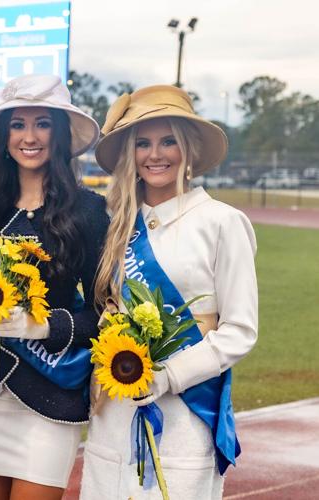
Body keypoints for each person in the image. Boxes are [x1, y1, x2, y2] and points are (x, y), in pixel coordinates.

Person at [80, 85, 258, 499]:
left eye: (168, 142)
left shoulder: (222, 222)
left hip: (185, 411)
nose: (154, 154)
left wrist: (168, 376)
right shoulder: (118, 224)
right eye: (142, 143)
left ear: (189, 150)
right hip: (116, 407)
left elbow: (240, 331)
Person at [0, 74, 108, 500]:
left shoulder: (90, 211)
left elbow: (104, 313)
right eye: (17, 125)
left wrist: (44, 326)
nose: (30, 136)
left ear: (59, 134)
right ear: (3, 138)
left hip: (51, 394)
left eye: (43, 123)